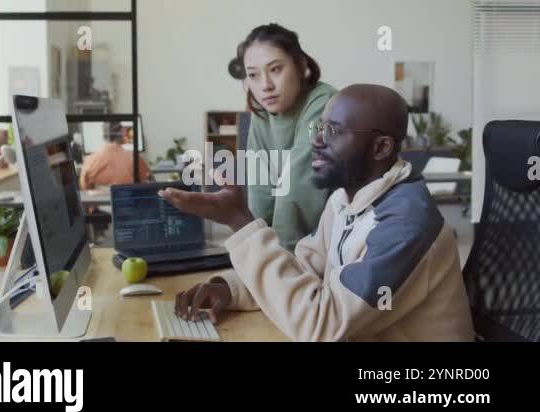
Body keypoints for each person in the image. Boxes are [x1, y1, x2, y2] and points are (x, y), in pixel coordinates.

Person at [159, 84, 475, 342]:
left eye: (334, 131)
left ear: (381, 148)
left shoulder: (406, 225)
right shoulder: (346, 198)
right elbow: (305, 269)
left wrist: (239, 221)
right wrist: (231, 288)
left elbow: (322, 325)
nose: (316, 141)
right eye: (319, 127)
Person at [235, 23, 338, 251]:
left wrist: (277, 262)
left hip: (329, 240)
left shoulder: (324, 102)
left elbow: (298, 185)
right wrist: (255, 251)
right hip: (289, 248)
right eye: (253, 75)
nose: (265, 85)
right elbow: (260, 190)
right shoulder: (263, 113)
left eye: (275, 69)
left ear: (301, 66)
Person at [79, 122, 151, 191]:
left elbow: (84, 187)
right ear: (121, 135)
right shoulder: (135, 158)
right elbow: (146, 183)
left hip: (100, 202)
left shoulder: (89, 160)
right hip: (129, 202)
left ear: (104, 136)